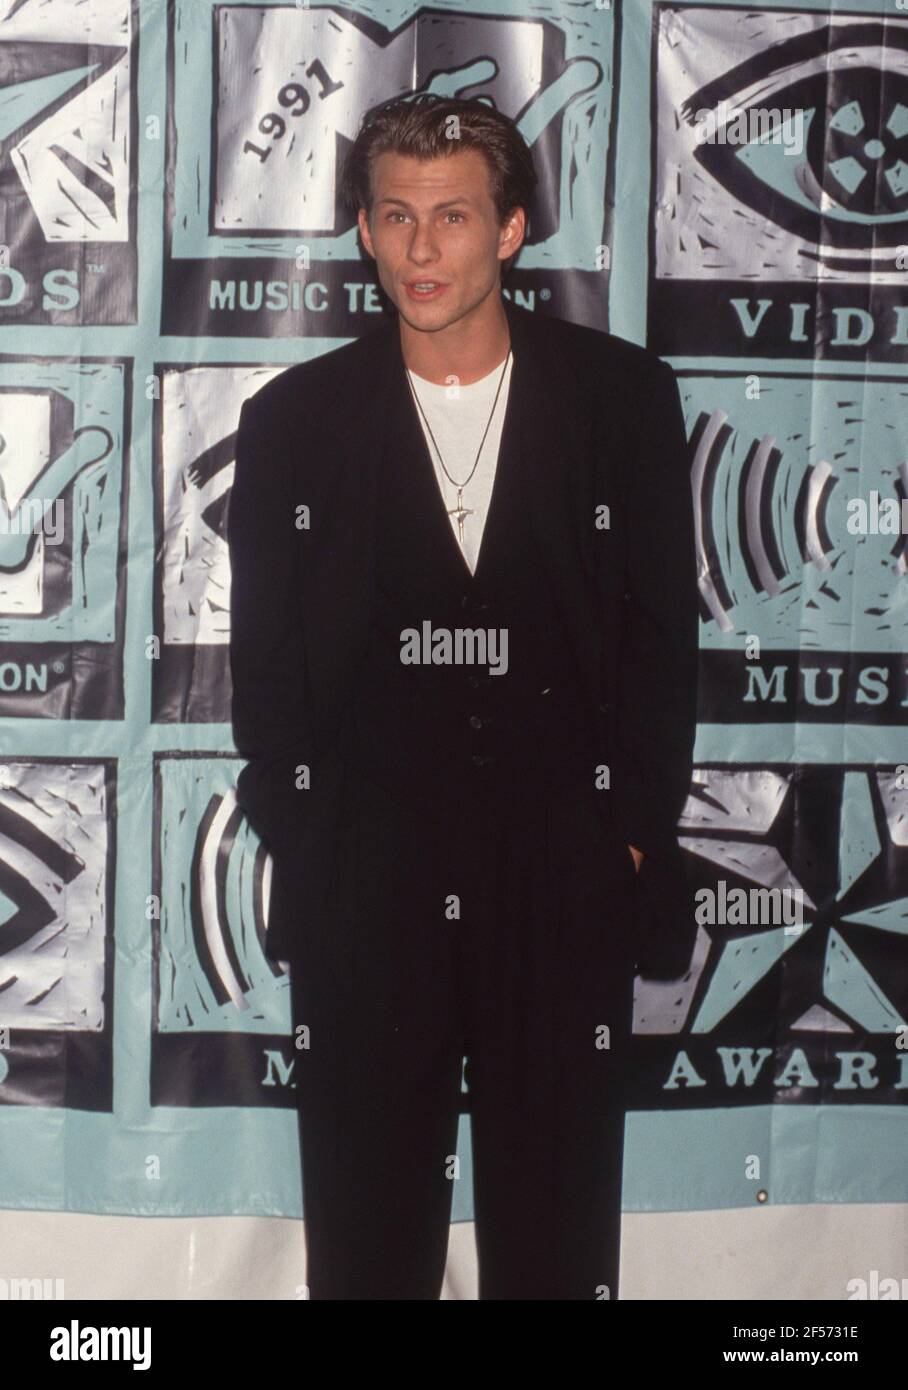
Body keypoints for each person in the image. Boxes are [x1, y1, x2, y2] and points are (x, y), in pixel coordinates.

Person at [227, 93, 699, 1300]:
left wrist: (630, 836)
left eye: (450, 217)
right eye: (393, 217)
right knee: (367, 1236)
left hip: (563, 877)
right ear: (364, 233)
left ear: (512, 230)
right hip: (365, 886)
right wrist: (314, 838)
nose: (419, 249)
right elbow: (266, 671)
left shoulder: (621, 399)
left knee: (554, 1233)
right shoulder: (291, 422)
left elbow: (659, 643)